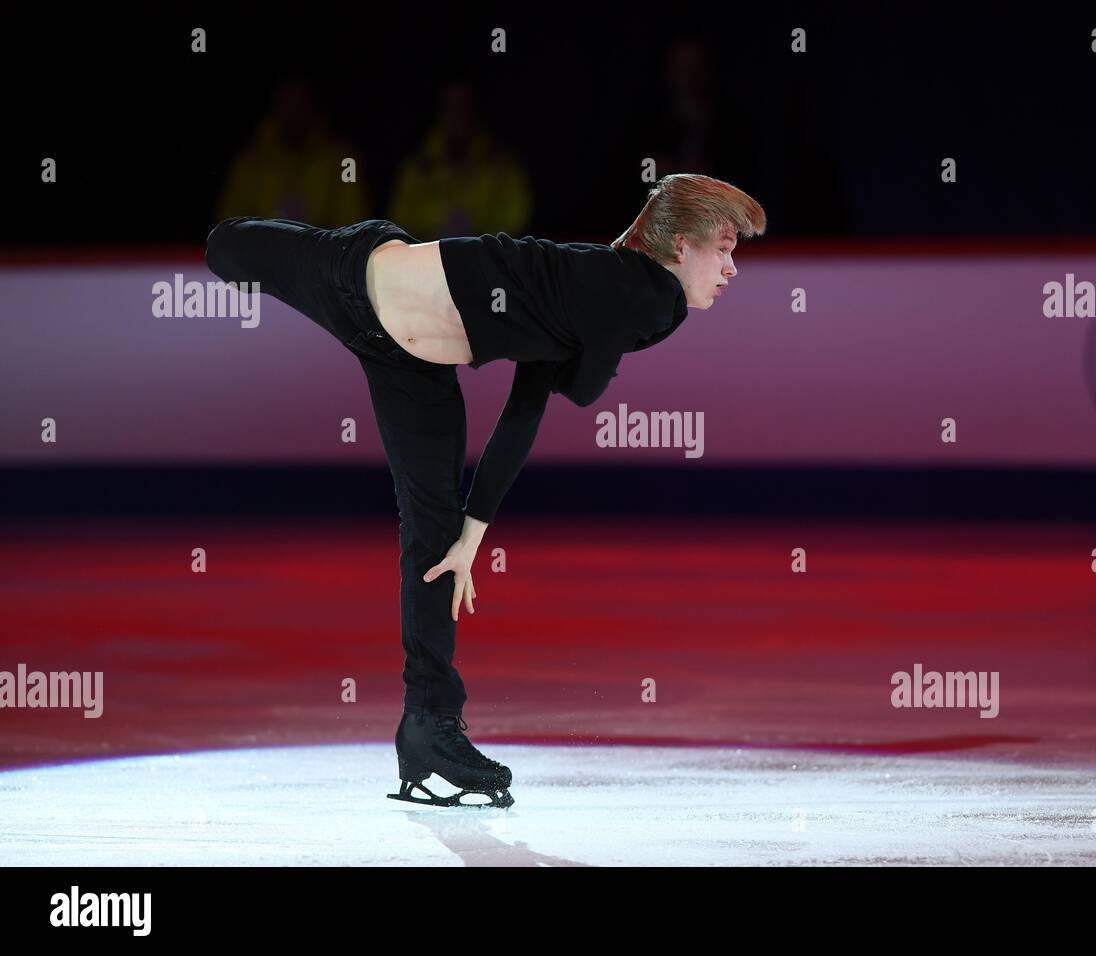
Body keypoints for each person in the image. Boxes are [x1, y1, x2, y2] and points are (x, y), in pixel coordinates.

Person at [204, 173, 766, 807]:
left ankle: (428, 728)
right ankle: (428, 726)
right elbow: (582, 390)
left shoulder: (598, 287)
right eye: (724, 247)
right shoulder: (648, 296)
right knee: (227, 246)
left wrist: (474, 534)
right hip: (355, 271)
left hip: (409, 362)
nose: (731, 268)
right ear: (681, 242)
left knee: (438, 546)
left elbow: (529, 404)